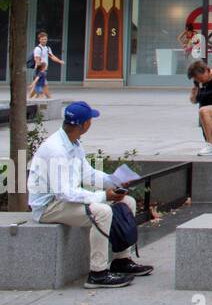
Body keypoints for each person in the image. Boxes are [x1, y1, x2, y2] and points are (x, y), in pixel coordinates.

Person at [27, 101, 153, 289]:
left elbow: (88, 174)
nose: (91, 122)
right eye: (90, 119)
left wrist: (115, 180)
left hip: (62, 201)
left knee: (128, 202)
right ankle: (98, 273)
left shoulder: (73, 143)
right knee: (102, 212)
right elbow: (64, 193)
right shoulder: (56, 150)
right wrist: (104, 196)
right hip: (48, 207)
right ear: (84, 124)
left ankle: (122, 260)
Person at [28, 30, 63, 100]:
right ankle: (48, 100)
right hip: (39, 70)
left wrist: (59, 61)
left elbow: (52, 56)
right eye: (42, 39)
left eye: (45, 39)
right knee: (44, 88)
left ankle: (28, 100)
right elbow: (37, 60)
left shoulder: (47, 48)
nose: (44, 41)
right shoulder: (38, 49)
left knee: (37, 88)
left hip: (44, 70)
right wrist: (41, 66)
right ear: (39, 40)